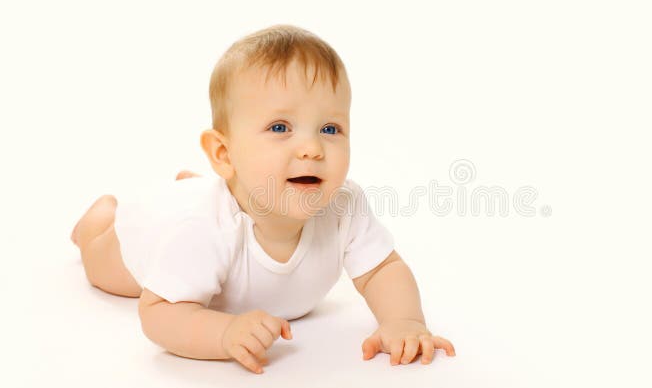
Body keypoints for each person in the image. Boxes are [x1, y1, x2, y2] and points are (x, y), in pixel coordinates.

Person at [70, 24, 455, 374]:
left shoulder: (343, 206)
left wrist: (404, 321)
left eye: (329, 127)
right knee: (101, 262)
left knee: (216, 198)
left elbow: (382, 269)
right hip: (152, 233)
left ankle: (198, 184)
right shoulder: (203, 231)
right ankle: (99, 217)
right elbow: (158, 313)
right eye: (279, 127)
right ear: (224, 153)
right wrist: (223, 332)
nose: (312, 147)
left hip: (220, 198)